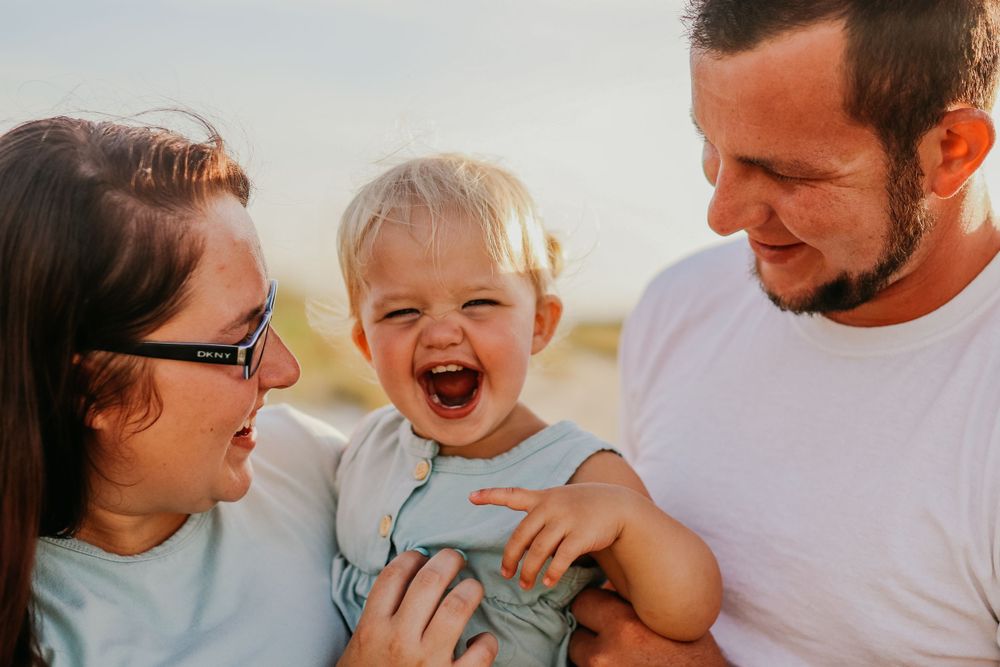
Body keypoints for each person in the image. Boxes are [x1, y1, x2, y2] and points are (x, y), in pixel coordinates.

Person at [569, 1, 1000, 665]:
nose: (722, 215)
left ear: (952, 151)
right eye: (712, 146)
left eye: (788, 172)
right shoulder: (678, 307)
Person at [0, 116, 499, 667]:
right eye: (241, 341)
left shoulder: (316, 465)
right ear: (88, 387)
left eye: (267, 315)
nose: (286, 370)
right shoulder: (39, 636)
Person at [330, 154, 723, 665]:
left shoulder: (580, 474)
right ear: (365, 342)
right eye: (403, 311)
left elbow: (689, 612)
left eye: (479, 304)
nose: (443, 332)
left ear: (539, 324)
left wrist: (626, 519)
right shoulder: (369, 442)